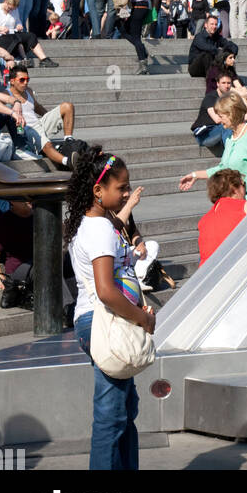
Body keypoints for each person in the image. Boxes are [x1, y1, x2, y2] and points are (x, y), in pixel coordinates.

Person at [65, 146, 156, 471]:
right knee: (112, 414)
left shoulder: (96, 223)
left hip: (103, 322)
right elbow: (105, 291)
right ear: (98, 190)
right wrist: (142, 319)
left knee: (123, 409)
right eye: (121, 188)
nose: (126, 192)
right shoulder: (100, 229)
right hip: (104, 322)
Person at [179, 92, 247, 209]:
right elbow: (223, 168)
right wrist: (195, 175)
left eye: (221, 116)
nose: (219, 120)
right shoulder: (230, 137)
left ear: (232, 114)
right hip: (234, 200)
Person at [7, 64, 77, 170]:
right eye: (22, 80)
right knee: (47, 144)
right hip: (27, 129)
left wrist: (50, 117)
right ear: (12, 81)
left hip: (39, 123)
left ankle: (69, 141)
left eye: (27, 79)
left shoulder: (28, 90)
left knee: (68, 106)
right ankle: (68, 162)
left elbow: (37, 107)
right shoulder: (6, 94)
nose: (25, 82)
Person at [0, 0, 59, 67]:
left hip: (12, 34)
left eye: (12, 9)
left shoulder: (14, 10)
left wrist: (19, 25)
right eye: (9, 8)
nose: (10, 10)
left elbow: (18, 21)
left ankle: (44, 59)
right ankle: (22, 59)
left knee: (31, 36)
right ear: (5, 1)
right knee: (14, 38)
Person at [0, 198, 34, 297]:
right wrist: (3, 283)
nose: (28, 198)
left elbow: (65, 237)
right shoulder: (4, 222)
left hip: (41, 264)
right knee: (44, 267)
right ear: (12, 200)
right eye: (22, 196)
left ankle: (68, 306)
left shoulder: (43, 214)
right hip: (18, 269)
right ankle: (67, 306)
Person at [197, 170, 247, 265]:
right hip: (232, 268)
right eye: (243, 185)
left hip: (206, 272)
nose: (245, 191)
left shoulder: (204, 220)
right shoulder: (242, 206)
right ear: (235, 189)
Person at [117, 0, 151, 75]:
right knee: (126, 29)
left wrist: (123, 2)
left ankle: (143, 63)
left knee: (133, 35)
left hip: (138, 6)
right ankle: (142, 50)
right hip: (145, 6)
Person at [188, 13, 236, 78]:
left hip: (211, 65)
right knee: (207, 54)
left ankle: (233, 79)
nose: (214, 26)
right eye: (212, 24)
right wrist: (223, 53)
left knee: (229, 54)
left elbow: (229, 44)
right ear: (205, 25)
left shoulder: (217, 36)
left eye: (216, 24)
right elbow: (208, 48)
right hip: (195, 68)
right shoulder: (199, 37)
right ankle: (212, 80)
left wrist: (232, 53)